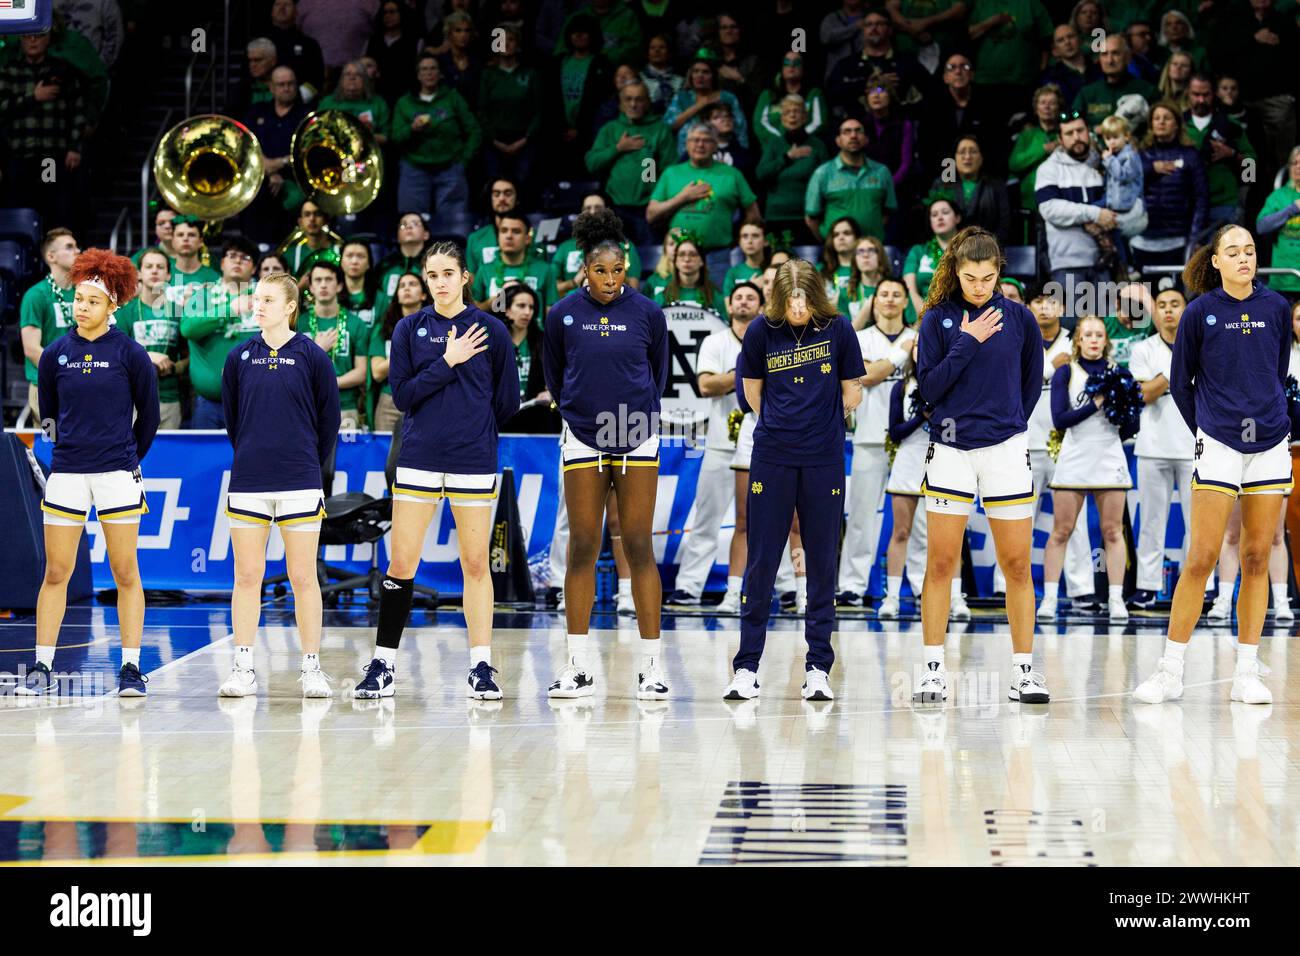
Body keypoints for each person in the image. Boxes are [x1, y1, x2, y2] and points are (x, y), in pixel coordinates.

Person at [1133, 225, 1291, 705]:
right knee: (1201, 556)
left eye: (1249, 251)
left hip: (1270, 442)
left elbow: (1278, 370)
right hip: (1218, 443)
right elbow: (1181, 383)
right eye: (1232, 252)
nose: (1243, 258)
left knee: (1257, 556)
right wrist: (1208, 427)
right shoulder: (1199, 312)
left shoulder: (1277, 308)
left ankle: (1247, 670)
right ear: (1216, 261)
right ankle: (1170, 670)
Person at [355, 242, 520, 701]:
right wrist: (449, 361)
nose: (440, 282)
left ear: (466, 277)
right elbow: (403, 396)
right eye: (432, 274)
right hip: (419, 458)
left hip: (471, 459)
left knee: (473, 563)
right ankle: (383, 664)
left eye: (449, 273)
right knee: (402, 562)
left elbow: (507, 402)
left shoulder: (492, 331)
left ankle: (481, 666)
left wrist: (471, 426)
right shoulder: (409, 329)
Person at [912, 227, 1047, 705]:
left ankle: (1024, 672)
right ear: (955, 272)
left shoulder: (1021, 319)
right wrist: (966, 340)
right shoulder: (936, 320)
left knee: (1016, 565)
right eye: (970, 278)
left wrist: (1007, 424)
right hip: (950, 451)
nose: (980, 287)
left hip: (1007, 451)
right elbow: (929, 388)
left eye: (989, 278)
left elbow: (1030, 386)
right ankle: (932, 669)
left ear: (999, 271)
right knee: (941, 563)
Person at [722, 258, 865, 701]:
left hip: (824, 458)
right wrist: (785, 424)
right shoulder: (761, 331)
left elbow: (852, 391)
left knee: (822, 561)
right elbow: (751, 393)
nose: (798, 308)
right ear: (778, 298)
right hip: (773, 455)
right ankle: (746, 667)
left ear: (816, 296)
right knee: (762, 560)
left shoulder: (838, 329)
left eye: (804, 299)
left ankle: (818, 667)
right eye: (790, 299)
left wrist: (820, 424)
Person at [542, 209, 670, 700]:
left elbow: (656, 377)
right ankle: (576, 665)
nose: (611, 279)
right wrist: (578, 411)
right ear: (584, 269)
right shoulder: (562, 314)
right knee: (582, 545)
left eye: (618, 271)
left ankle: (652, 667)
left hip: (637, 433)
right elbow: (554, 375)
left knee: (637, 543)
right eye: (601, 271)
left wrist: (636, 415)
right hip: (581, 435)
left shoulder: (647, 313)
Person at [23, 250, 158, 697]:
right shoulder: (55, 354)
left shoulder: (131, 354)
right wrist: (67, 447)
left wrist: (125, 456)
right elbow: (48, 415)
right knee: (57, 571)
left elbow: (150, 418)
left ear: (112, 305)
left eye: (92, 300)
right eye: (78, 298)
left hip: (117, 475)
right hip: (67, 474)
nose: (82, 306)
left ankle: (131, 668)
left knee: (125, 572)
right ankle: (42, 664)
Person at [215, 271, 339, 698]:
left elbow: (329, 422)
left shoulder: (312, 356)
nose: (259, 305)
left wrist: (303, 458)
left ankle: (311, 668)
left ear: (290, 307)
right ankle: (243, 667)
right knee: (247, 575)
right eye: (257, 299)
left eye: (268, 299)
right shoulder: (239, 357)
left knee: (303, 575)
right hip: (249, 478)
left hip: (300, 479)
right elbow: (233, 418)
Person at [990, 288, 1094, 601]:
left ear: (1062, 306)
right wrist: (1050, 365)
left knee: (1073, 521)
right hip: (1024, 439)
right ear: (1029, 305)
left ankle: (1082, 588)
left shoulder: (1077, 340)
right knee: (1016, 517)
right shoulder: (1016, 336)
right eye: (1038, 300)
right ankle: (1002, 583)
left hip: (1070, 444)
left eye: (1052, 301)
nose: (1045, 307)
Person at [667, 281, 763, 608]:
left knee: (769, 521)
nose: (745, 302)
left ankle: (785, 587)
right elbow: (706, 385)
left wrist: (735, 378)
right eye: (739, 297)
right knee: (707, 517)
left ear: (761, 305)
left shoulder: (769, 339)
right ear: (728, 303)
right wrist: (743, 373)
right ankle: (689, 586)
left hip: (762, 442)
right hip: (721, 442)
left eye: (751, 297)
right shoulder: (715, 341)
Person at [1037, 316, 1138, 622]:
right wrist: (1094, 405)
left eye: (1099, 335)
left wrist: (1119, 411)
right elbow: (1060, 420)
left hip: (1108, 455)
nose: (1093, 340)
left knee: (1111, 531)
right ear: (1078, 340)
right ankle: (1051, 598)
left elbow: (1132, 423)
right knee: (1062, 531)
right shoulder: (1065, 371)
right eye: (1087, 335)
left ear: (1106, 341)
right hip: (1075, 454)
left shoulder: (1119, 373)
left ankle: (1116, 598)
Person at [838, 276, 917, 607]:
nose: (889, 299)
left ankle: (920, 583)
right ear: (873, 301)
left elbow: (874, 372)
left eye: (896, 294)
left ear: (904, 302)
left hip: (912, 438)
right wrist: (898, 359)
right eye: (883, 294)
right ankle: (852, 585)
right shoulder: (859, 338)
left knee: (918, 519)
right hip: (870, 435)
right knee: (860, 515)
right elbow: (865, 377)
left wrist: (877, 367)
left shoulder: (918, 335)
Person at [1128, 286, 1196, 610]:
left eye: (1175, 304)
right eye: (1163, 305)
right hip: (1153, 446)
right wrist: (1173, 375)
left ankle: (1200, 588)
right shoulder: (1142, 348)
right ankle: (1147, 586)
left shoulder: (1200, 345)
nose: (1169, 310)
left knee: (1197, 523)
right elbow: (1143, 394)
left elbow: (1159, 385)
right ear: (1155, 312)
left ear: (1186, 310)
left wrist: (1160, 379)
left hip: (1192, 446)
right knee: (1152, 521)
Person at [646, 123, 760, 281]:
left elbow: (754, 215)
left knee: (719, 304)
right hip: (679, 257)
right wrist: (684, 197)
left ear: (715, 145)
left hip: (718, 256)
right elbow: (651, 214)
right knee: (678, 304)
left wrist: (736, 239)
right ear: (686, 144)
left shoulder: (731, 174)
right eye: (695, 140)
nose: (700, 144)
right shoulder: (671, 173)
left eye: (706, 140)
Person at [879, 332, 938, 617]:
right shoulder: (901, 388)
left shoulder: (948, 384)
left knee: (944, 536)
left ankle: (950, 596)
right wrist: (920, 417)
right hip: (907, 464)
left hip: (940, 464)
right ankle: (891, 597)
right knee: (901, 532)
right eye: (918, 346)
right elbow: (895, 432)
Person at [1036, 112, 1112, 324]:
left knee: (1103, 330)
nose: (1076, 137)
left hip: (1103, 262)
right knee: (1069, 330)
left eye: (1080, 131)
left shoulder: (1104, 165)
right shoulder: (1049, 169)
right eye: (1069, 133)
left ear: (1088, 133)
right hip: (1067, 264)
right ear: (1060, 140)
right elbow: (1050, 209)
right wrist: (1094, 213)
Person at [179, 237, 261, 430]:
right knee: (204, 459)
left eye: (245, 257)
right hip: (209, 405)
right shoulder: (202, 296)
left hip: (253, 404)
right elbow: (188, 329)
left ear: (255, 268)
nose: (238, 261)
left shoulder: (264, 300)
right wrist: (229, 310)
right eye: (232, 256)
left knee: (252, 460)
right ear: (222, 263)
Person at [585, 80, 677, 248]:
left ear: (648, 102)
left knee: (650, 258)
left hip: (647, 211)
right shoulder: (610, 129)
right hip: (614, 209)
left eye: (639, 99)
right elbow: (592, 163)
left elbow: (669, 173)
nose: (633, 104)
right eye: (628, 99)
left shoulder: (660, 130)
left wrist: (659, 207)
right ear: (620, 103)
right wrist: (618, 148)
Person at [391, 52, 479, 222]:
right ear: (418, 75)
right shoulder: (405, 103)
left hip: (450, 169)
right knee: (411, 221)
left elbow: (474, 130)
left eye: (433, 69)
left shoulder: (453, 98)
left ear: (440, 74)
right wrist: (412, 129)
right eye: (424, 69)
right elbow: (395, 137)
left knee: (453, 222)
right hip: (414, 169)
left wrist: (463, 161)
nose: (429, 73)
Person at [114, 248, 188, 430]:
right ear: (139, 273)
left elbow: (190, 357)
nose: (154, 271)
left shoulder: (179, 311)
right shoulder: (125, 312)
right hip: (131, 399)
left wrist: (175, 367)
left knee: (168, 457)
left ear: (169, 275)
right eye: (148, 266)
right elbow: (114, 353)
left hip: (169, 398)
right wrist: (147, 357)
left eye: (160, 267)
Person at [1133, 102, 1207, 271]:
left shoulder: (1190, 155)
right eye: (1156, 118)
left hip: (1177, 239)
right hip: (1142, 238)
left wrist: (1195, 237)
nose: (1161, 122)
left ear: (1177, 124)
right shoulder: (1141, 154)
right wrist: (1151, 168)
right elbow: (1124, 182)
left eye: (1167, 118)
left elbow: (1201, 199)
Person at [804, 116, 897, 244]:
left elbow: (887, 213)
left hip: (872, 251)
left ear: (866, 139)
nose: (853, 136)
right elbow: (811, 219)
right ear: (838, 140)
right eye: (846, 132)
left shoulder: (882, 172)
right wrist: (829, 243)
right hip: (837, 252)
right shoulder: (822, 173)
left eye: (858, 131)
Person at [19, 228, 80, 423]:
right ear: (51, 256)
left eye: (77, 246)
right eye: (69, 247)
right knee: (51, 448)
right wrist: (67, 372)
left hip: (82, 385)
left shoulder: (85, 293)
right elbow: (31, 349)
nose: (77, 251)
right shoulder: (36, 295)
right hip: (48, 387)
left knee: (81, 448)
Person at [1185, 73, 1255, 241]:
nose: (1201, 100)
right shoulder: (1177, 123)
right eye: (1196, 94)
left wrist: (1232, 155)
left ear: (1214, 94)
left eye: (1206, 94)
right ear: (1188, 93)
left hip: (1225, 203)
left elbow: (1252, 165)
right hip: (1187, 204)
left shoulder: (1230, 124)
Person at [300, 261, 368, 430]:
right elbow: (293, 370)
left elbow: (361, 372)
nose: (323, 284)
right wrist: (318, 350)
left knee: (347, 457)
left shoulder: (356, 324)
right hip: (307, 406)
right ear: (311, 286)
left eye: (329, 279)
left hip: (345, 407)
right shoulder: (297, 324)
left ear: (339, 286)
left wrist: (327, 382)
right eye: (318, 280)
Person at [756, 95, 829, 248]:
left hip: (808, 218)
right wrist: (787, 157)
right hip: (777, 218)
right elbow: (761, 174)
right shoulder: (774, 144)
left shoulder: (817, 146)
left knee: (806, 269)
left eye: (797, 111)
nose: (792, 115)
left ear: (805, 117)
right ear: (782, 118)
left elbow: (826, 182)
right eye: (787, 112)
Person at [477, 26, 543, 192]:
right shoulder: (487, 75)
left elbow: (539, 111)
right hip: (494, 141)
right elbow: (481, 110)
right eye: (501, 40)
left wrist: (525, 139)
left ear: (518, 44)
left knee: (523, 185)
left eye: (511, 40)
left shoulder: (531, 75)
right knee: (495, 185)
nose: (505, 44)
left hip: (524, 140)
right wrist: (495, 140)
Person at [369, 271, 429, 432]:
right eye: (402, 286)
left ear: (423, 295)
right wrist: (406, 348)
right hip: (389, 400)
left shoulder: (435, 326)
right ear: (397, 296)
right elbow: (377, 373)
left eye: (413, 284)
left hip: (425, 399)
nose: (407, 288)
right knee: (386, 453)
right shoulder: (384, 329)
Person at [919, 53, 995, 177]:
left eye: (964, 67)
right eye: (951, 68)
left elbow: (993, 145)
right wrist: (949, 176)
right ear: (945, 77)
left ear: (971, 75)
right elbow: (928, 150)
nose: (958, 72)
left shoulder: (987, 106)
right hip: (944, 174)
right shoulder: (932, 108)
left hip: (982, 174)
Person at [552, 193, 643, 297]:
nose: (592, 212)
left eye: (598, 208)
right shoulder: (565, 247)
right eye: (587, 208)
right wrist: (574, 281)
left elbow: (634, 288)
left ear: (608, 211)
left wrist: (611, 270)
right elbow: (552, 290)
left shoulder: (625, 246)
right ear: (581, 212)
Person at [664, 50, 750, 155]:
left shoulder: (728, 98)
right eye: (696, 71)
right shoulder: (682, 97)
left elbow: (741, 130)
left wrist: (742, 156)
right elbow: (668, 127)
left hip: (722, 156)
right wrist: (699, 106)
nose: (700, 76)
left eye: (706, 72)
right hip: (685, 156)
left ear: (714, 76)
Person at [496, 283, 556, 433]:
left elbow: (558, 377)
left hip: (536, 422)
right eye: (521, 306)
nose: (527, 312)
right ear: (507, 310)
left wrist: (550, 391)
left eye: (531, 307)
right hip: (499, 420)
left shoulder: (544, 342)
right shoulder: (493, 342)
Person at [469, 211, 556, 312]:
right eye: (504, 231)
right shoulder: (485, 270)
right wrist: (489, 303)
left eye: (516, 231)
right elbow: (472, 310)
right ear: (498, 237)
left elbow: (551, 313)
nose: (509, 236)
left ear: (528, 239)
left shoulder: (545, 270)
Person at [1095, 114, 1148, 276]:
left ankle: (1126, 266)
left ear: (1126, 136)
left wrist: (1109, 160)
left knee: (1117, 233)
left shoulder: (1130, 156)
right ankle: (1121, 261)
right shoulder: (1116, 156)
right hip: (1113, 202)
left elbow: (1123, 175)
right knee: (1093, 212)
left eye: (1115, 137)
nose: (1111, 142)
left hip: (1127, 206)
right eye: (1107, 138)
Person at [933, 135, 1011, 244]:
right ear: (954, 158)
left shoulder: (996, 185)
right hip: (949, 249)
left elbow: (1004, 224)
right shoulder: (942, 185)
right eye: (962, 152)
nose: (967, 157)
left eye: (973, 152)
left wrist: (988, 247)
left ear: (981, 158)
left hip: (988, 250)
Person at [1073, 34, 1157, 127]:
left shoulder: (1147, 91)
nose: (1110, 60)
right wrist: (1092, 130)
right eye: (1104, 54)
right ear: (1099, 60)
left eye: (1115, 53)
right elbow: (1074, 115)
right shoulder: (1088, 93)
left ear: (1128, 57)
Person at [904, 194, 962, 320]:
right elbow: (910, 288)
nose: (940, 217)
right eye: (934, 215)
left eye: (945, 212)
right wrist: (925, 316)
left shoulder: (968, 249)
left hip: (959, 316)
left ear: (957, 218)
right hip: (921, 316)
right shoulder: (918, 251)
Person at [752, 51, 826, 147]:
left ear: (803, 68)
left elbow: (819, 123)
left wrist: (799, 140)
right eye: (787, 63)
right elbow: (760, 124)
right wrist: (782, 143)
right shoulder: (768, 95)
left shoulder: (814, 94)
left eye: (796, 63)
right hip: (775, 151)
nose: (791, 66)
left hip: (806, 150)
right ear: (781, 69)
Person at [1255, 146, 1300, 299]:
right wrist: (1292, 209)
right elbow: (1261, 226)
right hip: (1283, 279)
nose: (1298, 167)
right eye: (1294, 163)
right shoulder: (1279, 196)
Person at [318, 59, 390, 146]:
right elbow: (318, 132)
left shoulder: (378, 103)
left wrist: (366, 136)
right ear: (341, 80)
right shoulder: (327, 103)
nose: (352, 78)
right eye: (348, 74)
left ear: (365, 81)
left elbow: (386, 136)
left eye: (358, 75)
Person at [374, 212, 431, 318]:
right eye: (403, 225)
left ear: (426, 234)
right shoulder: (384, 266)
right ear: (398, 236)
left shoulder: (433, 264)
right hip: (388, 325)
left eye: (415, 224)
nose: (409, 226)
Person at [1040, 23, 1100, 108]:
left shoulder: (1100, 69)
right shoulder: (1050, 78)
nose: (1067, 42)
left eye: (1071, 37)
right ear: (1055, 50)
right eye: (1061, 40)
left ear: (1080, 40)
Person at [844, 235, 891, 328]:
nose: (865, 255)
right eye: (860, 251)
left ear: (880, 256)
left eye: (871, 250)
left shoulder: (895, 288)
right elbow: (843, 335)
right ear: (855, 259)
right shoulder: (845, 291)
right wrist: (867, 308)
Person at [820, 216, 860, 306]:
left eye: (847, 233)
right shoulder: (820, 270)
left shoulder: (865, 269)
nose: (841, 237)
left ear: (857, 238)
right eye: (836, 235)